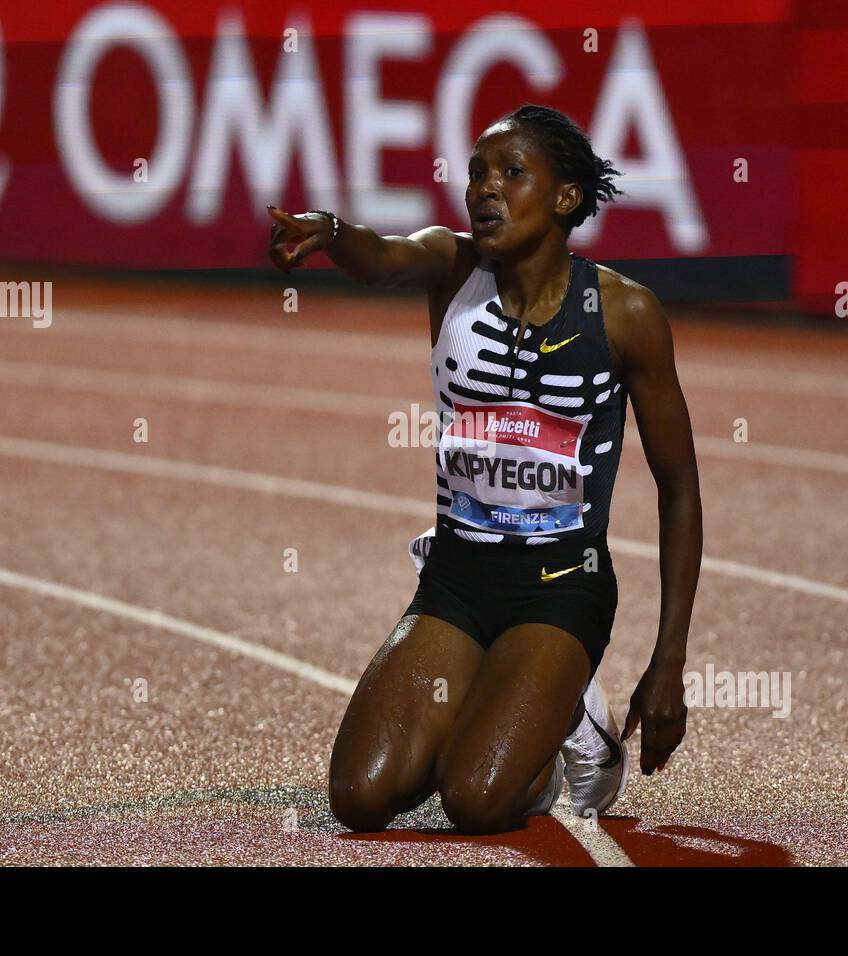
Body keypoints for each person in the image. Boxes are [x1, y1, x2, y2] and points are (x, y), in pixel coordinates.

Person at [266, 104, 702, 835]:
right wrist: (332, 234)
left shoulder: (625, 314)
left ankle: (569, 714)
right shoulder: (453, 266)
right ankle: (506, 696)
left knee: (474, 798)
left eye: (510, 173)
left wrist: (668, 663)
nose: (485, 190)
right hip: (457, 582)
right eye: (476, 174)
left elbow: (680, 490)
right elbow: (380, 257)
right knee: (360, 797)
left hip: (562, 589)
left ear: (566, 197)